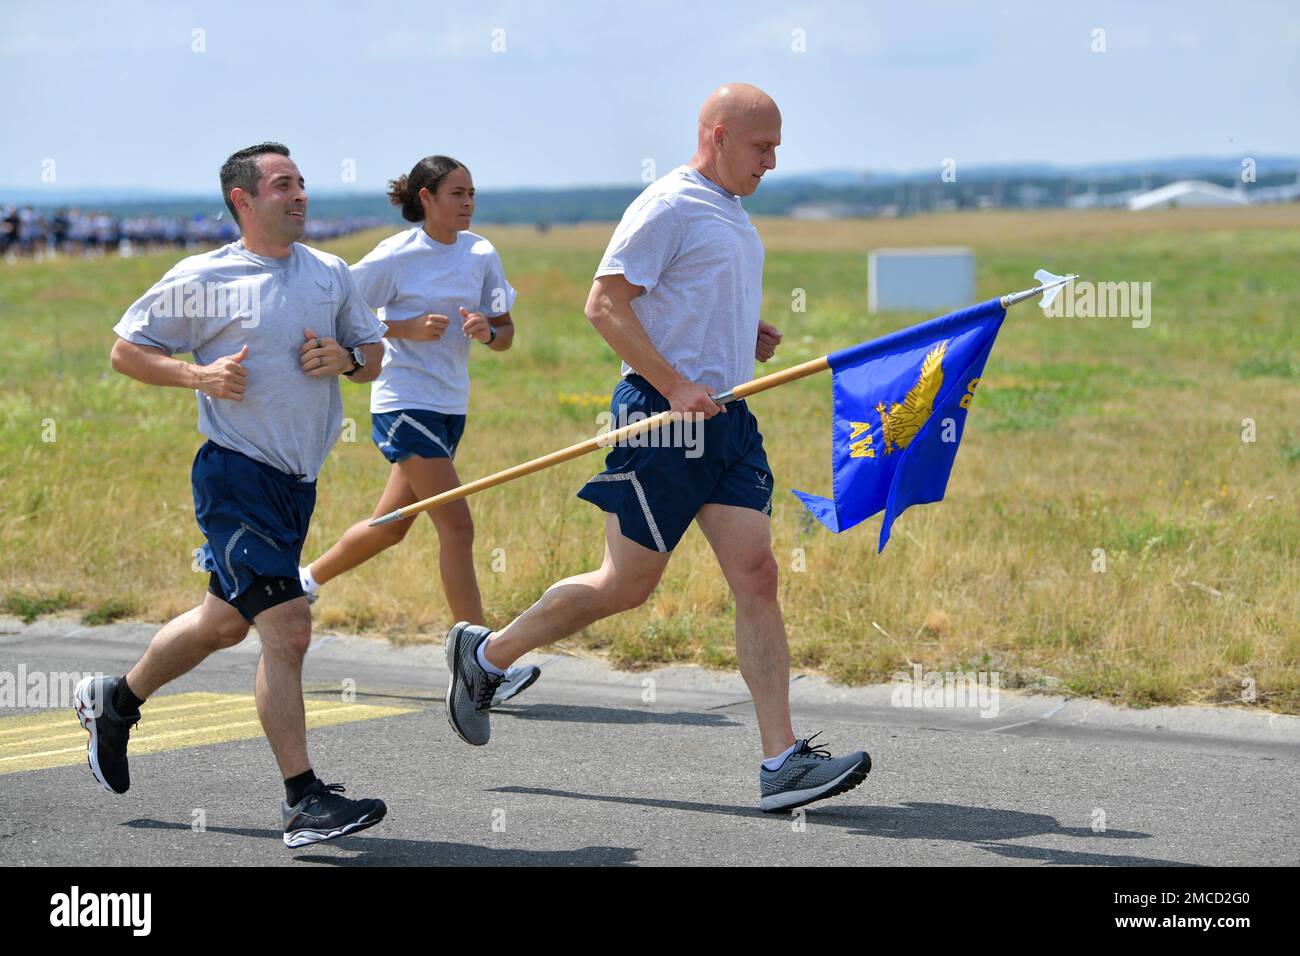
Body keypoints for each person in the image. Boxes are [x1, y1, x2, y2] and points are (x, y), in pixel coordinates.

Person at [442, 84, 871, 813]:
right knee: (625, 585)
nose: (772, 161)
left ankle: (780, 762)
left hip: (729, 420)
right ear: (717, 134)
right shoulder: (669, 203)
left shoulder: (730, 211)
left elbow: (685, 297)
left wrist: (745, 331)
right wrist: (674, 384)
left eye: (775, 149)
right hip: (664, 422)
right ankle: (485, 656)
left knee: (758, 575)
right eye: (762, 147)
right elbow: (604, 303)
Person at [74, 142, 391, 848]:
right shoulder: (207, 277)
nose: (301, 194)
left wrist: (347, 359)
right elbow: (127, 349)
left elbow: (373, 357)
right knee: (288, 627)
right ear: (243, 200)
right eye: (284, 185)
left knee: (221, 624)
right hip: (234, 477)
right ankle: (303, 801)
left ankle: (115, 702)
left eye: (303, 182)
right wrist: (198, 377)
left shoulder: (331, 273)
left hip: (296, 485)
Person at [297, 155, 541, 707]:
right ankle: (482, 666)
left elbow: (506, 332)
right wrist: (401, 326)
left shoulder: (481, 253)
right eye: (457, 192)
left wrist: (486, 331)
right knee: (457, 526)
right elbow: (340, 306)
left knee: (392, 525)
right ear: (426, 197)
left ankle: (303, 581)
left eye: (472, 193)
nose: (468, 202)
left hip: (450, 406)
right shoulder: (397, 254)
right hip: (403, 402)